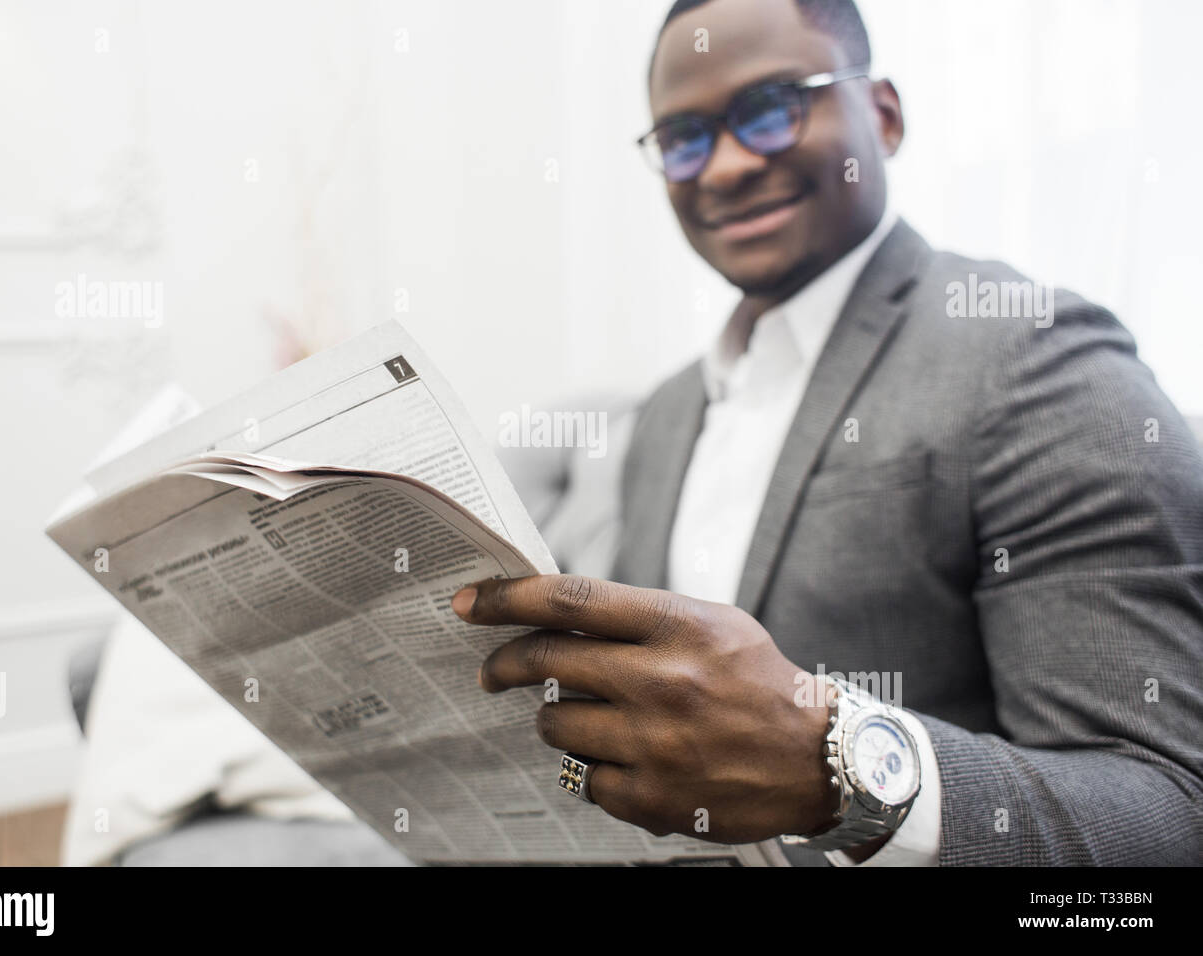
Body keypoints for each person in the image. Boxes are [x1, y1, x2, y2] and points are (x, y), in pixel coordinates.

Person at [451, 0, 1203, 865]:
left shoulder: (1038, 361)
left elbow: (1169, 813)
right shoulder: (663, 417)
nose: (725, 166)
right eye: (684, 137)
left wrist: (840, 768)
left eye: (773, 109)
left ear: (882, 115)